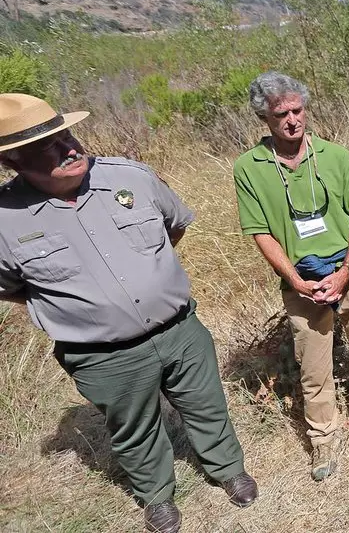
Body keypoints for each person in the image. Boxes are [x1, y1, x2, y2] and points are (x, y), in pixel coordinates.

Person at [0, 93, 256, 533]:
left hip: (179, 330)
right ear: (14, 162)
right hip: (102, 356)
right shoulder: (5, 219)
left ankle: (228, 469)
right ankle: (157, 497)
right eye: (49, 147)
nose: (69, 150)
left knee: (206, 405)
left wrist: (147, 280)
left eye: (67, 137)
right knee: (133, 429)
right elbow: (12, 287)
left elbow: (173, 227)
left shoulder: (129, 177)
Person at [233, 71, 349, 482]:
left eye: (297, 110)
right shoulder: (250, 168)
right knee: (313, 364)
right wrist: (296, 281)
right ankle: (323, 436)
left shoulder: (335, 156)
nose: (291, 120)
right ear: (264, 119)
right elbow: (261, 233)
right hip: (301, 280)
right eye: (280, 114)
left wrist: (345, 272)